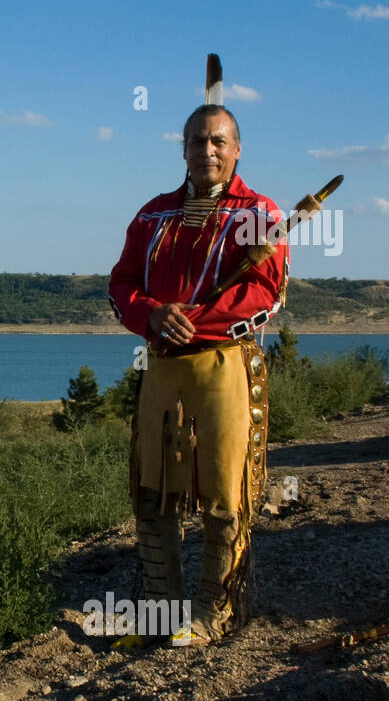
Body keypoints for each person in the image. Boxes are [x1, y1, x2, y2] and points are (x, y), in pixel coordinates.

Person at [106, 104, 289, 646]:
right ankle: (160, 609)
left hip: (224, 362)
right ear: (182, 148)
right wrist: (151, 315)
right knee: (153, 490)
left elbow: (265, 292)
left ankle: (215, 612)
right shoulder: (152, 215)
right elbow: (121, 285)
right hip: (162, 363)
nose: (206, 151)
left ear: (237, 149)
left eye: (217, 141)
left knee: (223, 489)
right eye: (196, 141)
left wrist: (195, 323)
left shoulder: (258, 211)